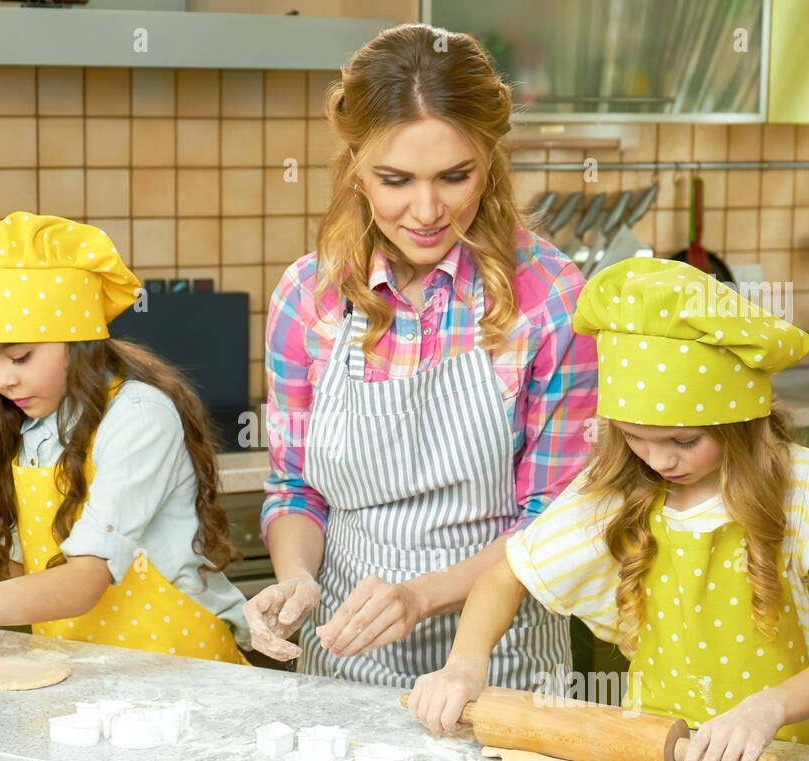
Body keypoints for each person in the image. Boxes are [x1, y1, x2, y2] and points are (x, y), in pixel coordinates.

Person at [408, 257, 809, 761]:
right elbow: (506, 573)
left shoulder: (800, 485)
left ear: (739, 422)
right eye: (635, 436)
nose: (660, 461)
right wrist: (464, 665)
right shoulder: (619, 491)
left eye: (684, 442)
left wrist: (766, 708)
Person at [247, 23, 598, 687]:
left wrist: (419, 595)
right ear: (355, 165)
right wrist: (295, 580)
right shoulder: (310, 297)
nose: (428, 210)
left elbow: (554, 523)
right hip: (345, 666)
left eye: (455, 176)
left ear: (489, 161)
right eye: (396, 179)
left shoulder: (548, 298)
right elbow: (296, 487)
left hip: (502, 671)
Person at [0, 211, 250, 664]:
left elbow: (84, 579)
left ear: (78, 339)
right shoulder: (31, 424)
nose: (3, 380)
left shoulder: (139, 417)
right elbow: (22, 573)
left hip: (181, 672)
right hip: (85, 674)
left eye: (19, 357)